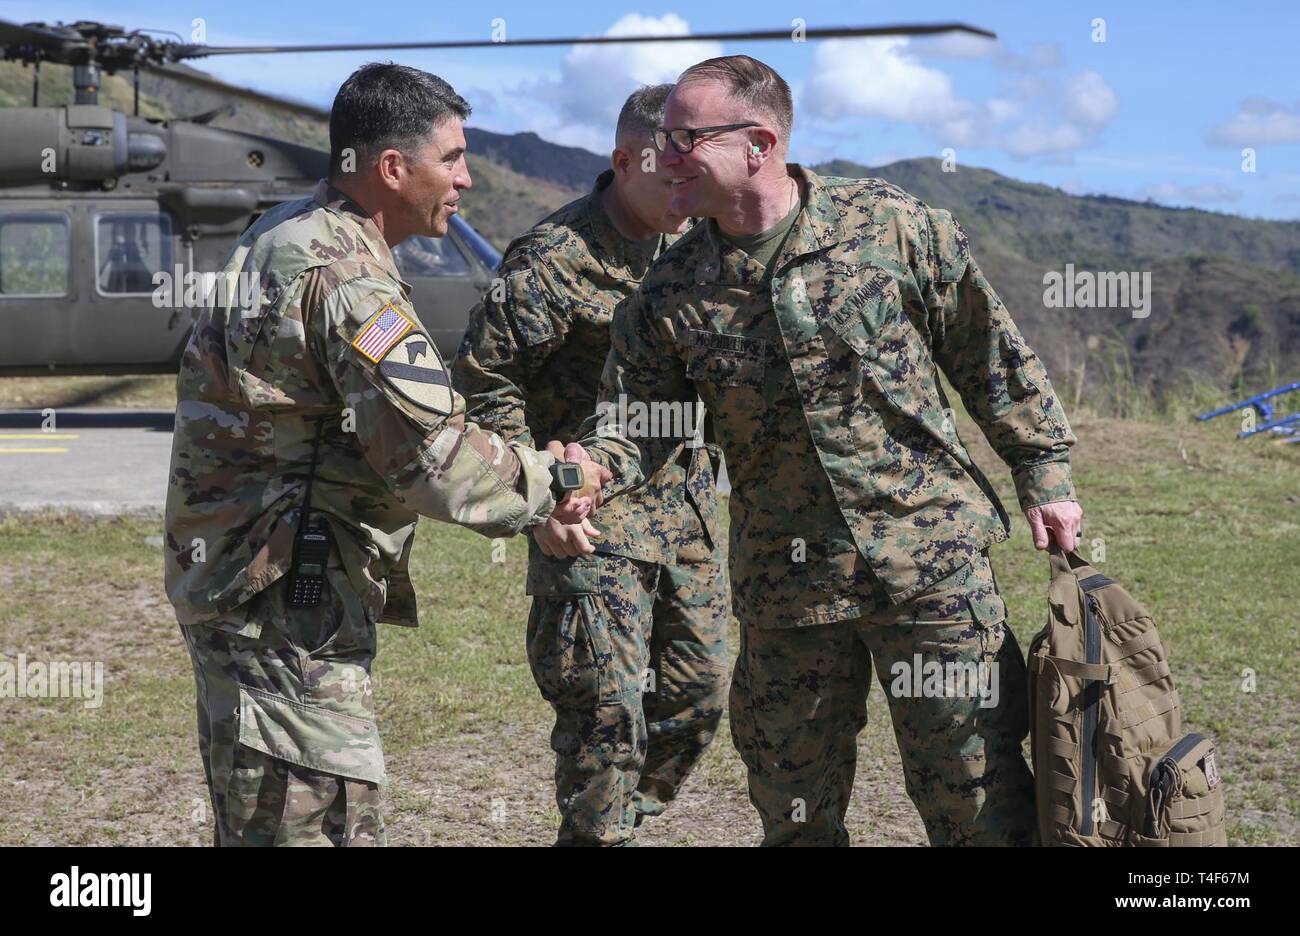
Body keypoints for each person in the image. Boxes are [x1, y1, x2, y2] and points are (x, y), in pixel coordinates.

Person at [573, 55, 1085, 846]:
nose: (661, 157)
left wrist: (1044, 470)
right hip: (787, 592)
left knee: (978, 798)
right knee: (794, 809)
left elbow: (988, 356)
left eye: (682, 138)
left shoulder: (888, 226)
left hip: (931, 565)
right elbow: (639, 422)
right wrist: (588, 469)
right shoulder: (670, 292)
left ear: (758, 142)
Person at [164, 62, 606, 847]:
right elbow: (434, 460)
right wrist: (558, 479)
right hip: (286, 606)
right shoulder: (348, 278)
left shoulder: (286, 233)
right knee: (314, 823)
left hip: (244, 584)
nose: (467, 178)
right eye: (455, 158)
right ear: (394, 168)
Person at [452, 84, 729, 846]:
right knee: (605, 714)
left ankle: (608, 830)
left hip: (687, 516)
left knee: (696, 700)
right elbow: (484, 381)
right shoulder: (553, 259)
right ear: (621, 160)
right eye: (667, 176)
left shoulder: (701, 249)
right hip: (589, 522)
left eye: (691, 174)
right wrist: (533, 494)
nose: (684, 192)